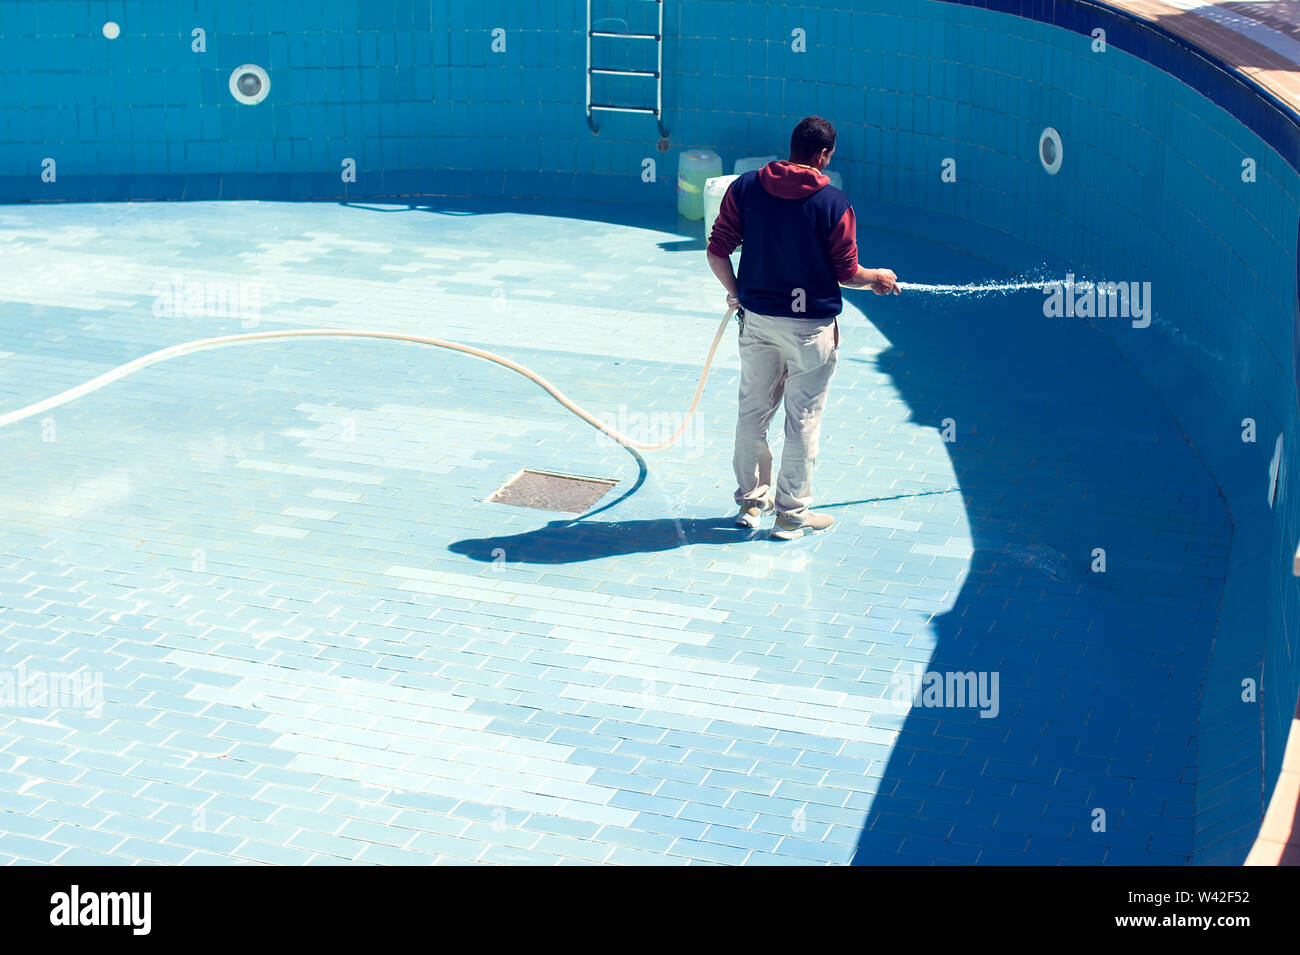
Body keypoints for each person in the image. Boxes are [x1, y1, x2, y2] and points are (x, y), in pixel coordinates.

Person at [706, 116, 900, 539]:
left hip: (757, 321)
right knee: (803, 421)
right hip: (811, 332)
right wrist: (878, 278)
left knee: (752, 414)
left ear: (791, 147)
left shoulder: (746, 187)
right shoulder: (834, 204)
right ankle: (791, 516)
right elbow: (847, 273)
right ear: (825, 154)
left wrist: (736, 293)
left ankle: (751, 504)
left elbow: (717, 251)